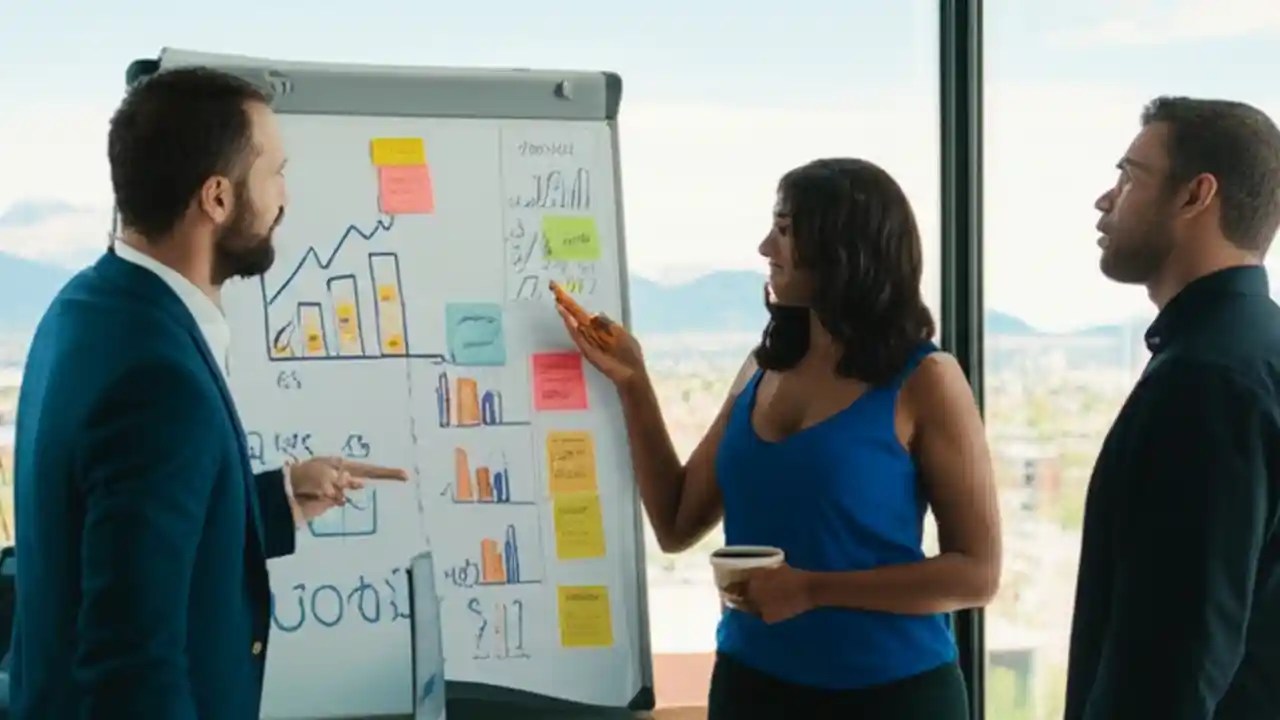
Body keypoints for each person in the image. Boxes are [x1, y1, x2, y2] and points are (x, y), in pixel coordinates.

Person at [9, 67, 408, 719]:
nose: (284, 198)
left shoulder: (85, 307)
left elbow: (121, 539)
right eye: (276, 172)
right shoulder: (158, 379)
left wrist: (277, 499)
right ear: (218, 198)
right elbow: (132, 662)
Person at [557, 158, 1001, 719]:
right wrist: (633, 382)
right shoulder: (759, 371)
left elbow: (977, 574)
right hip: (752, 687)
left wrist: (813, 589)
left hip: (893, 697)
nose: (767, 246)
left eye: (786, 229)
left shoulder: (927, 379)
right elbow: (674, 521)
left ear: (844, 247)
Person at [1066, 96, 1280, 719]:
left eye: (1129, 176)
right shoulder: (1255, 350)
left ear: (1195, 196)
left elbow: (1173, 661)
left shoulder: (1207, 380)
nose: (1105, 200)